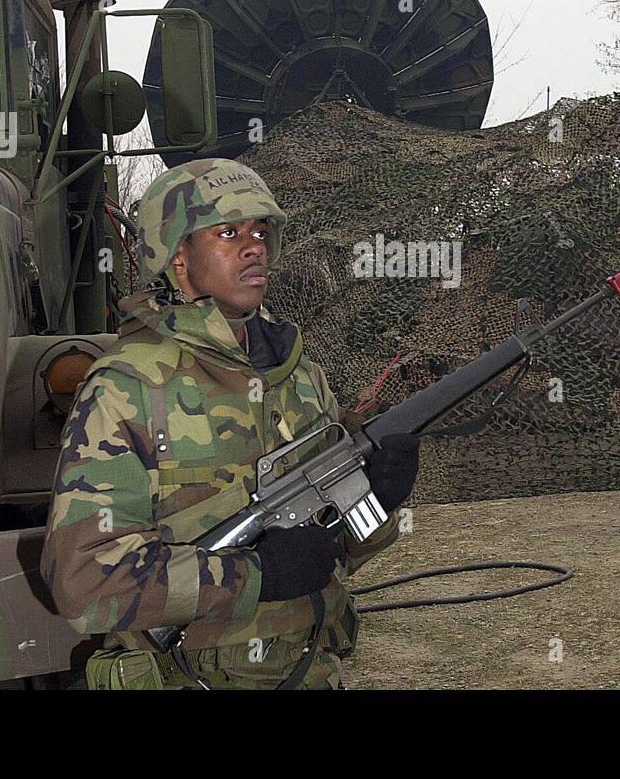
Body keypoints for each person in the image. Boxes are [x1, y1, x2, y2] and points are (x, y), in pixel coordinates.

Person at [40, 158, 418, 689]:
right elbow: (83, 584)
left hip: (310, 670)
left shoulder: (300, 374)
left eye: (260, 231)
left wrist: (377, 499)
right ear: (176, 256)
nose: (253, 246)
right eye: (228, 232)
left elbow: (326, 558)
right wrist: (251, 577)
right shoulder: (129, 388)